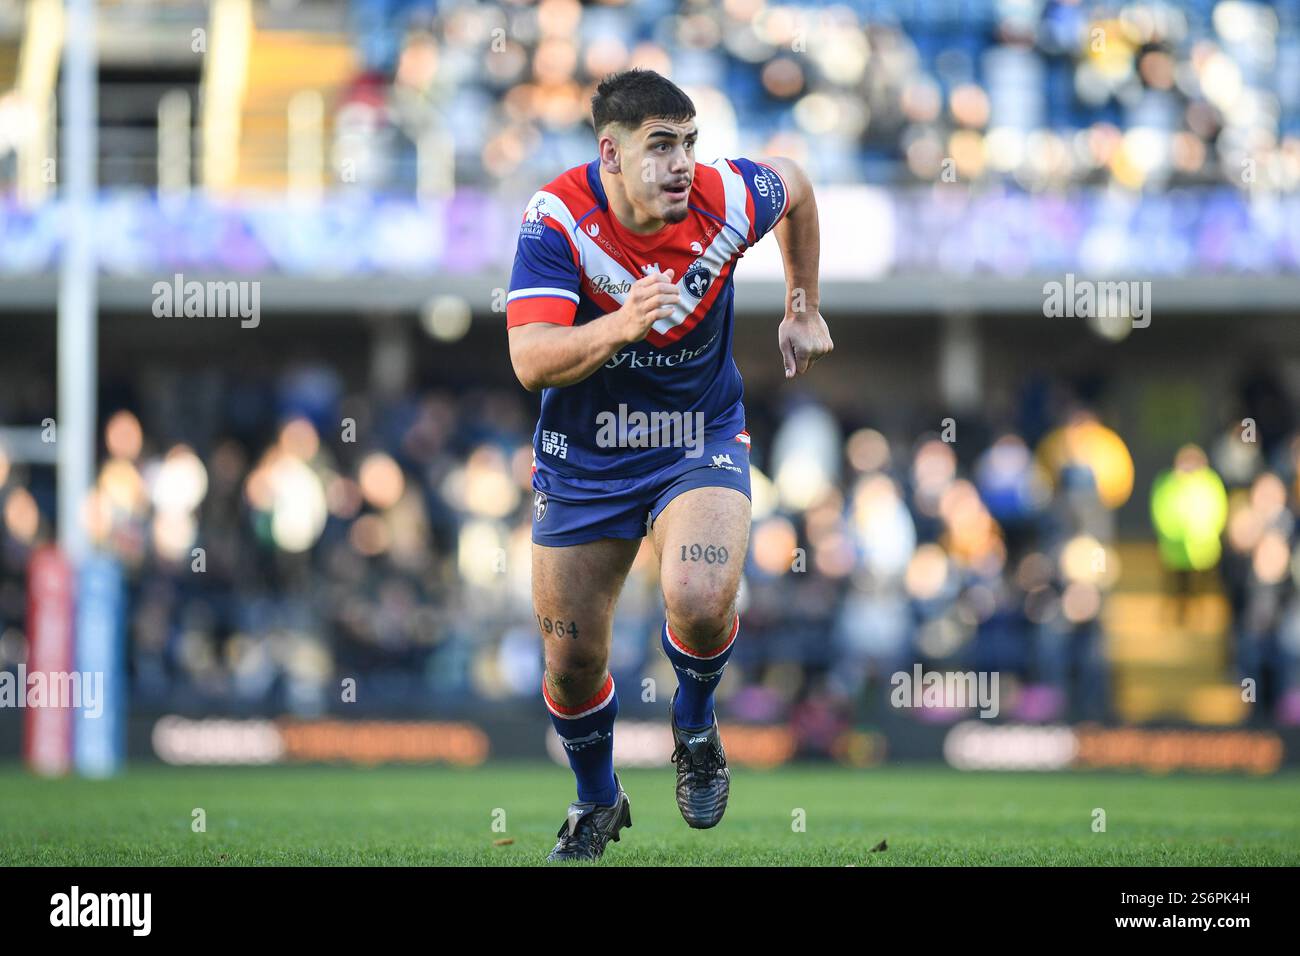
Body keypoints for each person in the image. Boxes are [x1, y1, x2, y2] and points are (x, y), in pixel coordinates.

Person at [505, 69, 832, 861]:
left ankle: (693, 727)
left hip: (698, 437)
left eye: (689, 142)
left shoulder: (726, 195)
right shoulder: (558, 220)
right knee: (572, 657)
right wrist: (619, 325)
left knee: (697, 592)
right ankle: (596, 802)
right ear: (610, 154)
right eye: (660, 147)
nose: (682, 162)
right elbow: (530, 360)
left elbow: (796, 185)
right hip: (583, 458)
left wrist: (802, 304)